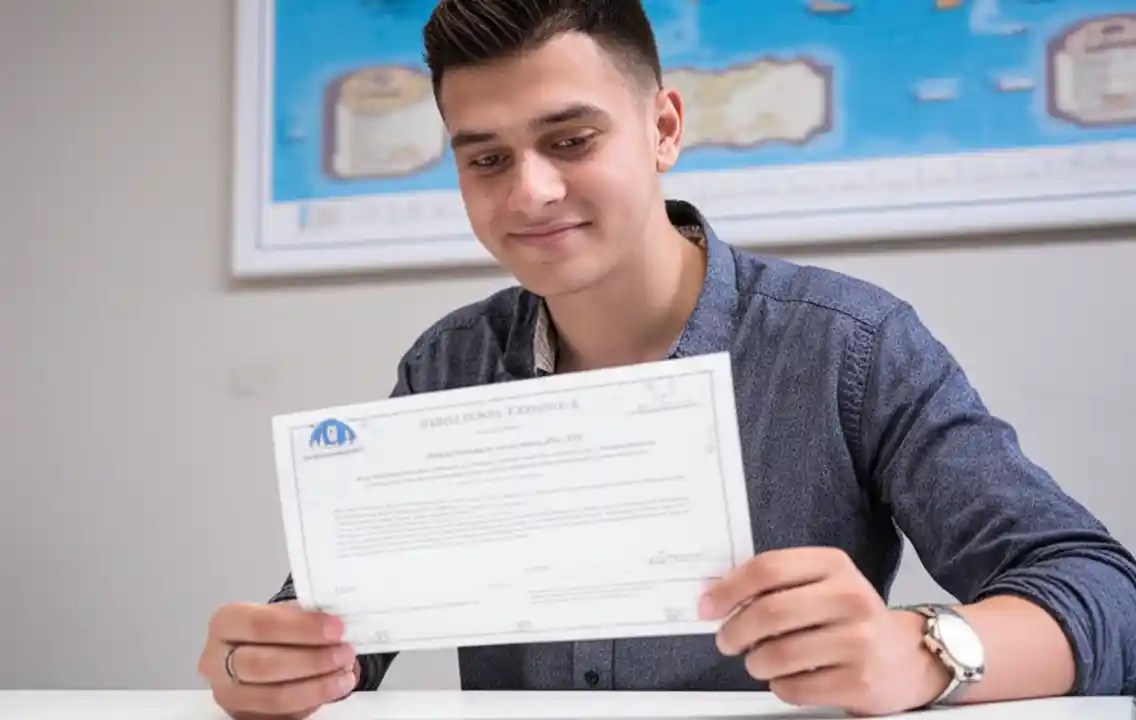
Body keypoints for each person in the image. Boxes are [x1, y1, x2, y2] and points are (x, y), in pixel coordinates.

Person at [198, 1, 1136, 717]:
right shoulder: (447, 364)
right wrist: (264, 664)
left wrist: (924, 651)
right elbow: (335, 639)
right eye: (484, 159)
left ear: (664, 128)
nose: (531, 192)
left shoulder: (848, 344)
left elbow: (1104, 595)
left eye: (572, 140)